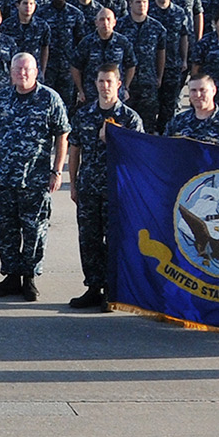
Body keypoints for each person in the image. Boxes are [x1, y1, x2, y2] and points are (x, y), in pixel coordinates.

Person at [0, 52, 70, 302]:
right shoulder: (2, 99)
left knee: (34, 230)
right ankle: (11, 276)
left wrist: (57, 170)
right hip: (5, 177)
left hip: (35, 179)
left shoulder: (49, 98)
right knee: (5, 229)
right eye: (17, 69)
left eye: (27, 69)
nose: (22, 73)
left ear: (36, 72)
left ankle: (29, 277)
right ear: (11, 72)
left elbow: (62, 134)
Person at [65, 66, 147, 311]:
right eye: (101, 81)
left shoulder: (129, 118)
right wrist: (74, 183)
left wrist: (115, 138)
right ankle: (93, 287)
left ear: (119, 84)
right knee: (89, 239)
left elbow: (139, 155)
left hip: (117, 189)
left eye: (109, 81)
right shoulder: (85, 114)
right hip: (89, 185)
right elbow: (75, 149)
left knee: (114, 240)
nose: (104, 86)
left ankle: (112, 291)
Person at [163, 75, 219, 147]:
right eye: (193, 90)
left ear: (213, 91)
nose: (198, 95)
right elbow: (164, 149)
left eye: (203, 90)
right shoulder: (178, 121)